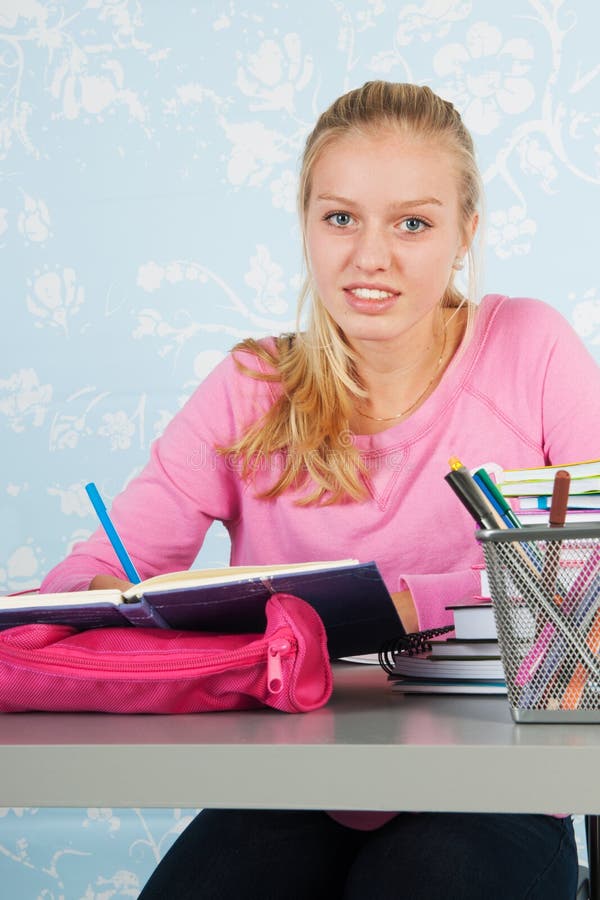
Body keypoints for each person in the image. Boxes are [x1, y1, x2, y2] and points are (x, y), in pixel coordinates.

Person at [40, 81, 599, 899]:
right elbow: (81, 584)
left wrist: (397, 607)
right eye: (341, 218)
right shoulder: (251, 383)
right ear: (306, 224)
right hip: (290, 785)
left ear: (465, 234)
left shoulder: (532, 347)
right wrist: (114, 606)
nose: (371, 256)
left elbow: (589, 577)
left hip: (498, 789)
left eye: (413, 222)